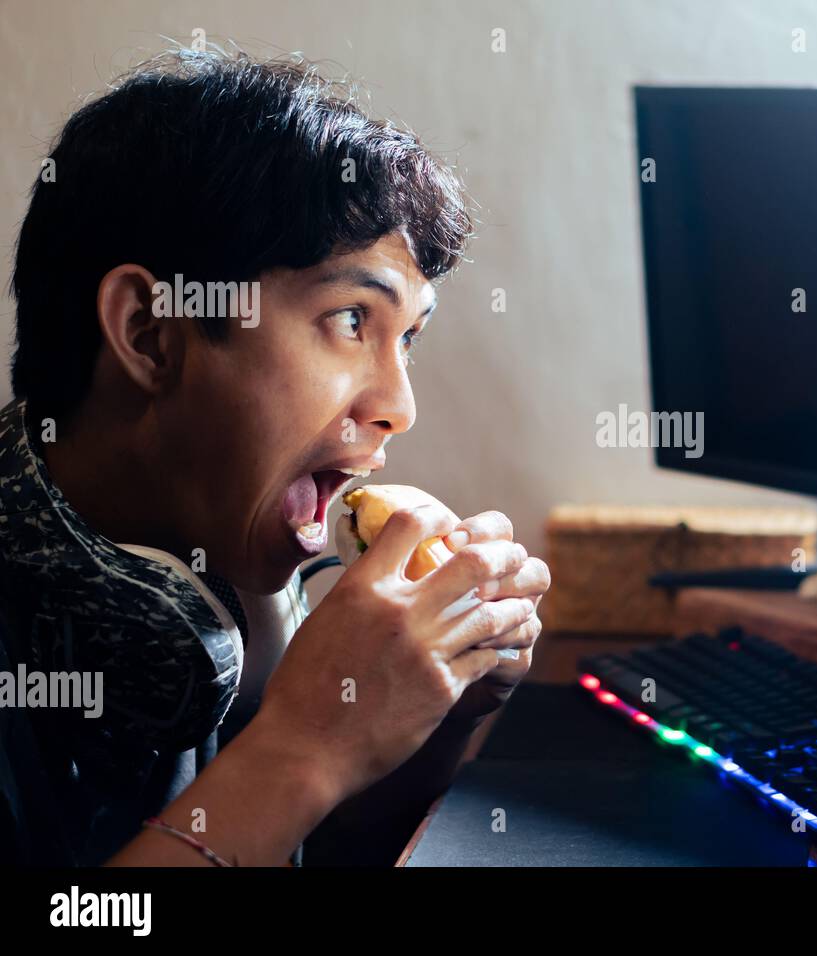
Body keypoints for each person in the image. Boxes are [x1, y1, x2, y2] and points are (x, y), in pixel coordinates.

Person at [0, 46, 550, 866]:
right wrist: (302, 747)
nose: (398, 407)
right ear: (152, 333)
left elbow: (297, 850)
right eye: (351, 320)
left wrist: (438, 707)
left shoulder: (209, 581)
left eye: (409, 340)